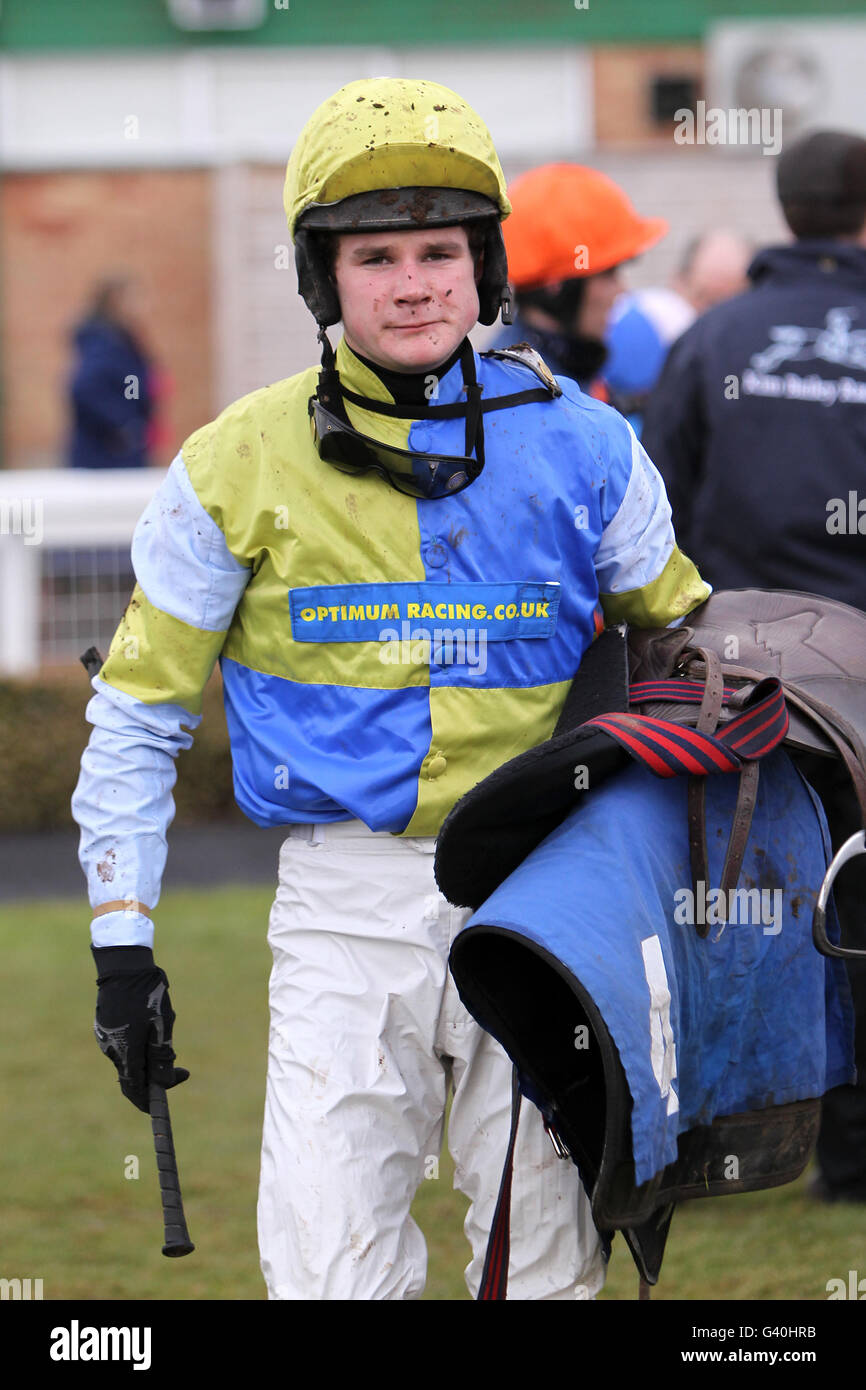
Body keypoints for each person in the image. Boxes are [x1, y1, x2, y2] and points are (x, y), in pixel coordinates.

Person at [71, 76, 710, 1300]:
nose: (413, 282)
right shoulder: (232, 461)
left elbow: (690, 648)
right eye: (375, 256)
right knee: (327, 1270)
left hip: (547, 900)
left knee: (546, 1269)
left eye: (440, 250)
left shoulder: (589, 444)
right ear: (323, 280)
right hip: (340, 906)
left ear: (485, 265)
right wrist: (121, 948)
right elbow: (139, 718)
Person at [641, 128, 866, 1203]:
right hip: (859, 681)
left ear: (786, 211)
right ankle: (854, 1159)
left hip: (750, 686)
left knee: (744, 909)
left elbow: (650, 528)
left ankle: (723, 1144)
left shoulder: (709, 339)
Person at [487, 162, 667, 418]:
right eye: (608, 274)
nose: (621, 291)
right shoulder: (520, 398)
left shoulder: (568, 365)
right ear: (557, 286)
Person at [604, 229, 751, 431]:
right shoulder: (648, 324)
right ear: (678, 281)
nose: (715, 317)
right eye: (705, 299)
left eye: (730, 303)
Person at [67, 274, 156, 469]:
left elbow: (130, 383)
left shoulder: (124, 341)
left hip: (123, 454)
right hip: (105, 460)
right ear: (117, 301)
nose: (143, 305)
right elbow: (84, 388)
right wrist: (126, 424)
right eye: (136, 298)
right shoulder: (105, 344)